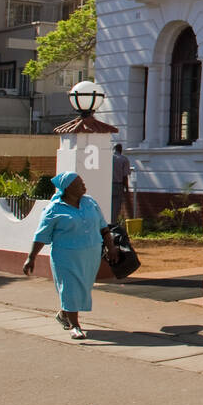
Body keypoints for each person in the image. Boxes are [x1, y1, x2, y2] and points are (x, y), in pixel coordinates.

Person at [22, 172, 118, 340]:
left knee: (82, 289)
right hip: (65, 256)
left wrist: (111, 247)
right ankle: (75, 325)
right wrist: (31, 257)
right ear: (67, 188)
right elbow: (41, 235)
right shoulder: (54, 209)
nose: (84, 185)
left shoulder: (90, 203)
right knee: (70, 288)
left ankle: (63, 314)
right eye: (79, 183)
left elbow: (103, 227)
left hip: (90, 255)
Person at [111, 143, 133, 222]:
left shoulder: (107, 158)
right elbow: (125, 176)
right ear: (120, 149)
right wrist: (127, 189)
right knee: (116, 206)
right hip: (118, 185)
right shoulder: (123, 159)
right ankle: (112, 224)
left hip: (107, 185)